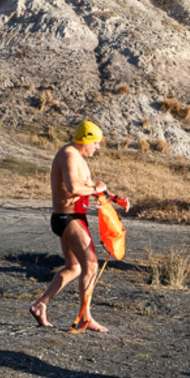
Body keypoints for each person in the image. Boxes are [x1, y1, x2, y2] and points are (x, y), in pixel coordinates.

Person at [30, 121, 108, 332]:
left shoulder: (74, 155)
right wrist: (95, 188)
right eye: (96, 143)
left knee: (74, 268)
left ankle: (41, 304)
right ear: (87, 140)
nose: (98, 147)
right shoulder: (70, 155)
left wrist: (107, 194)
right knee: (91, 265)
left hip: (69, 217)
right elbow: (74, 187)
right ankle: (85, 318)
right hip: (69, 218)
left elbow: (79, 186)